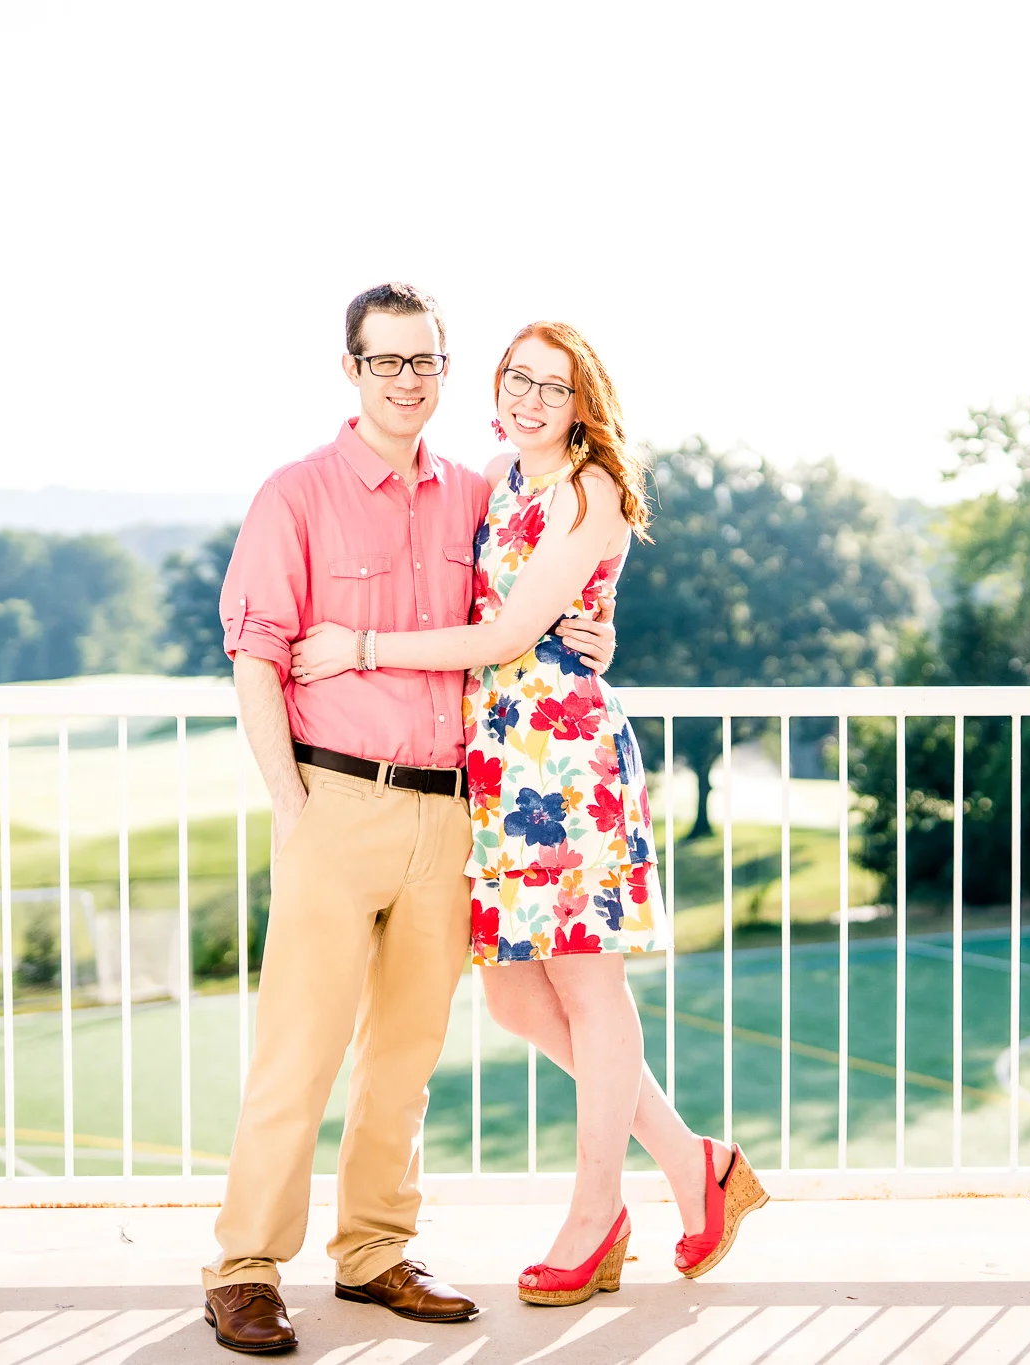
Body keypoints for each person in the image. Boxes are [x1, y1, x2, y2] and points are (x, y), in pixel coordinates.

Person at [290, 320, 768, 1309]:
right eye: (517, 379)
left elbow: (509, 630)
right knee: (513, 1000)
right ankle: (694, 1166)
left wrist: (360, 647)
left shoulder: (588, 486)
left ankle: (597, 1215)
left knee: (590, 996)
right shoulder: (500, 477)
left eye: (553, 386)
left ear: (583, 403)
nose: (531, 399)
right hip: (499, 770)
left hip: (562, 766)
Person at [201, 283, 618, 1354]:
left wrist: (594, 627)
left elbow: (533, 598)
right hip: (334, 802)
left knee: (405, 1060)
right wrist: (291, 809)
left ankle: (375, 1251)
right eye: (385, 362)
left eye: (423, 361)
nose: (405, 380)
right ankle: (244, 1267)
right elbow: (255, 656)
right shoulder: (292, 494)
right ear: (352, 370)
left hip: (451, 816)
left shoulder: (472, 494)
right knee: (297, 1053)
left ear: (443, 369)